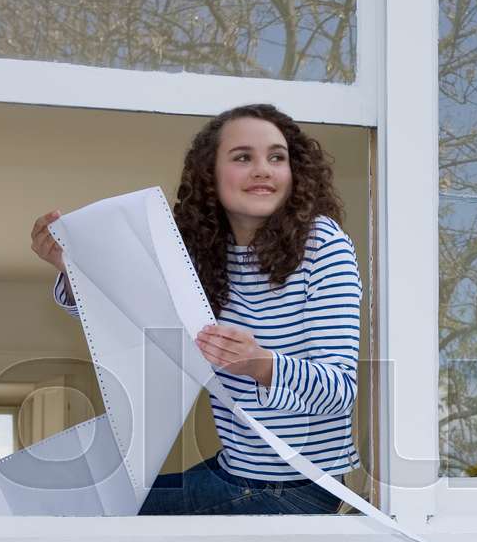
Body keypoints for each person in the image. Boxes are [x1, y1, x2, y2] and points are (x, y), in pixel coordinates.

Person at [28, 103, 360, 515]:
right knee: (94, 501)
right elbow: (130, 316)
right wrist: (70, 267)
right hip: (236, 471)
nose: (263, 169)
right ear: (210, 175)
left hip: (297, 489)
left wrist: (260, 364)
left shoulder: (322, 244)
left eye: (277, 157)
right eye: (243, 157)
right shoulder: (200, 254)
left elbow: (340, 391)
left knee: (98, 513)